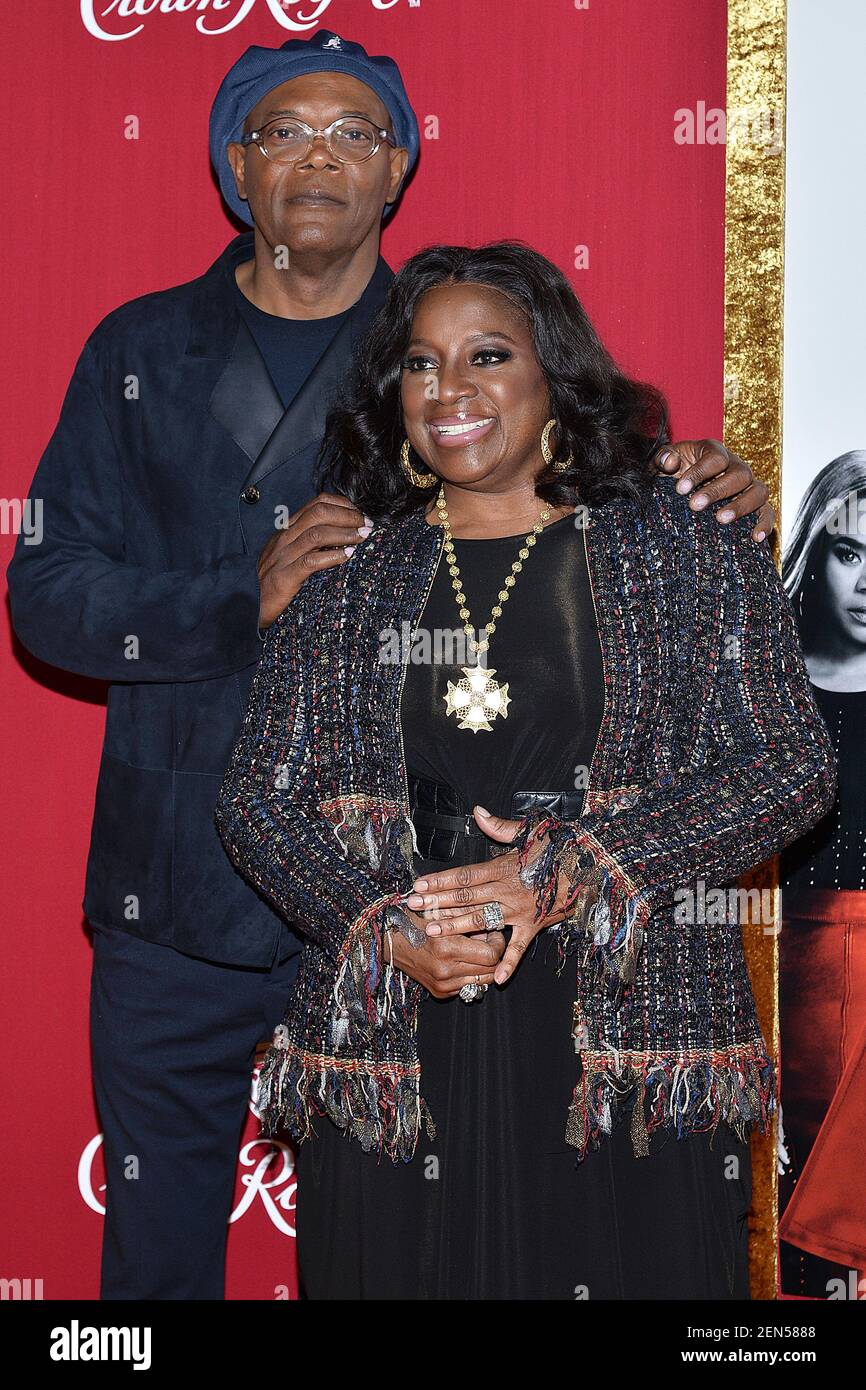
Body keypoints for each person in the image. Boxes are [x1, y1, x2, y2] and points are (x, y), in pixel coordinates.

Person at [6, 30, 774, 1301]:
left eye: (354, 133)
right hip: (182, 880)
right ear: (231, 165)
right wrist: (235, 599)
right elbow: (48, 595)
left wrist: (707, 481)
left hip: (427, 890)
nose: (318, 156)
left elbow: (582, 481)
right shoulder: (136, 348)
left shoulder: (449, 340)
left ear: (398, 167)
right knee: (154, 1261)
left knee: (434, 1241)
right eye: (282, 131)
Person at [215, 241, 837, 1300]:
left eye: (486, 356)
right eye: (418, 364)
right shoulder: (345, 569)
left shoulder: (683, 543)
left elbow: (789, 764)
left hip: (626, 1018)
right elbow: (255, 798)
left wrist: (567, 874)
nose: (447, 390)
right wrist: (382, 928)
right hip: (406, 1016)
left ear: (552, 377)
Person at [777, 452, 866, 1297]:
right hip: (775, 962)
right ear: (816, 547)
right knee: (783, 1216)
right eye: (852, 552)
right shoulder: (760, 684)